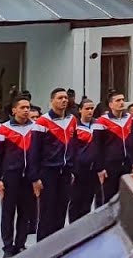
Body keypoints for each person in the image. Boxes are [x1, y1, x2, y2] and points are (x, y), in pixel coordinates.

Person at [29, 88, 76, 241]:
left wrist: (72, 168)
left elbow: (74, 145)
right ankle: (43, 245)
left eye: (65, 98)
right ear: (51, 101)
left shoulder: (72, 120)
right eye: (60, 98)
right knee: (47, 211)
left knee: (61, 210)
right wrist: (35, 177)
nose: (64, 100)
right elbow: (34, 151)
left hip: (65, 172)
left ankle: (58, 243)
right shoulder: (42, 122)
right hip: (48, 172)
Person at [0, 97, 35, 256]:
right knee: (8, 213)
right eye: (22, 107)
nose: (26, 110)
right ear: (14, 110)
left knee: (25, 212)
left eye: (28, 107)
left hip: (28, 177)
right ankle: (8, 246)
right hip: (10, 177)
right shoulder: (3, 130)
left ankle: (20, 244)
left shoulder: (35, 128)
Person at [94, 90, 133, 204]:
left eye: (123, 100)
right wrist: (100, 168)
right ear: (110, 105)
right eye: (118, 100)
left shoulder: (130, 119)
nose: (121, 103)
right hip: (110, 166)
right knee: (110, 199)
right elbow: (97, 146)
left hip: (128, 165)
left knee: (127, 198)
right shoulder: (102, 121)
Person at [69, 99, 101, 222]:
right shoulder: (74, 126)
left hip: (93, 170)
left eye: (92, 108)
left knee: (88, 201)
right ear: (80, 110)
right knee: (76, 201)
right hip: (78, 170)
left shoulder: (98, 125)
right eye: (87, 108)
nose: (90, 111)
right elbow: (71, 148)